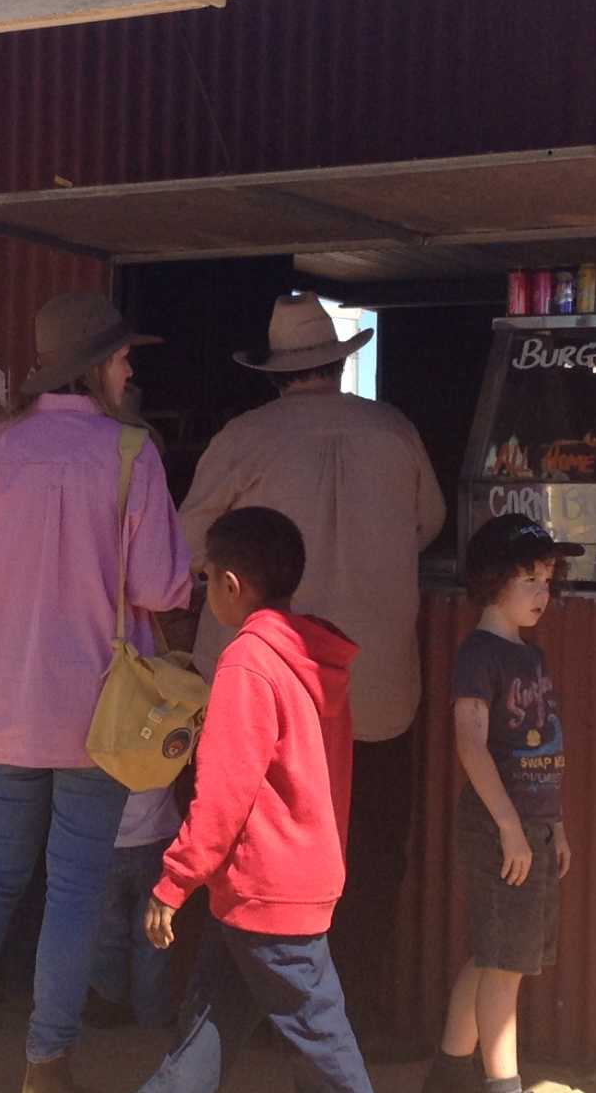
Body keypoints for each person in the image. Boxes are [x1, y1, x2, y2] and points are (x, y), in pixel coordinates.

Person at [74, 508, 413, 1093]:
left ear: (230, 583)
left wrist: (174, 880)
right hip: (294, 871)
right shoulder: (310, 654)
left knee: (318, 1033)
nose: (204, 594)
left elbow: (224, 791)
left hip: (265, 880)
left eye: (206, 581)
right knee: (214, 1019)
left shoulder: (247, 663)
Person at [0, 291, 191, 1093]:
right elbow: (161, 587)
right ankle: (46, 1077)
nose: (131, 370)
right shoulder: (132, 453)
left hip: (0, 705)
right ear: (96, 366)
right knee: (74, 892)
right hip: (97, 718)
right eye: (124, 357)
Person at [178, 293, 447, 1053]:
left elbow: (189, 543)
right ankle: (354, 1016)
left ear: (273, 374)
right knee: (369, 855)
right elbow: (429, 524)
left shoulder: (243, 438)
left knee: (256, 861)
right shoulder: (394, 430)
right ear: (337, 364)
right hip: (375, 691)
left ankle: (258, 1022)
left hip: (266, 694)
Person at [419, 516, 583, 1093]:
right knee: (507, 965)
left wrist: (554, 826)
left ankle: (450, 1071)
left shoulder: (531, 654)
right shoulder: (479, 655)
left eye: (548, 579)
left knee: (495, 953)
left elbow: (548, 745)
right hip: (499, 829)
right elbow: (471, 744)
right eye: (529, 579)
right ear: (492, 582)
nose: (544, 592)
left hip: (534, 827)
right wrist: (510, 827)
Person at [87, 782, 184, 1034]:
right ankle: (152, 1011)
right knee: (154, 936)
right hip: (157, 836)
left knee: (105, 931)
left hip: (102, 839)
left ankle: (109, 1000)